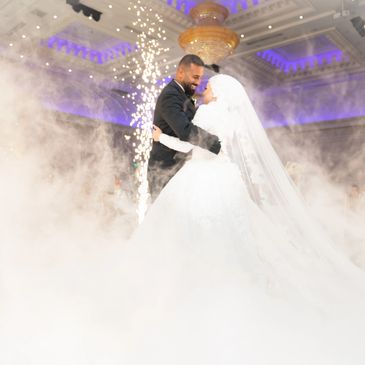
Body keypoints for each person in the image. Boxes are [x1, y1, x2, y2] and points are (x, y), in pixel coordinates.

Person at [120, 74, 365, 364]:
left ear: (219, 93)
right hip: (224, 177)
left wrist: (162, 138)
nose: (204, 90)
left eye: (209, 87)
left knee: (187, 227)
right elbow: (217, 147)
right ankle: (230, 288)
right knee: (230, 232)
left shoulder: (208, 111)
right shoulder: (232, 118)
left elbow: (192, 145)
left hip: (200, 176)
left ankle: (186, 290)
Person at [147, 54, 221, 200]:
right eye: (195, 77)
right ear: (180, 72)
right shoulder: (171, 95)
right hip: (164, 169)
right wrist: (217, 145)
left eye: (200, 78)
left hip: (179, 167)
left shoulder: (183, 95)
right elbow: (185, 130)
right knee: (163, 217)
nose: (198, 82)